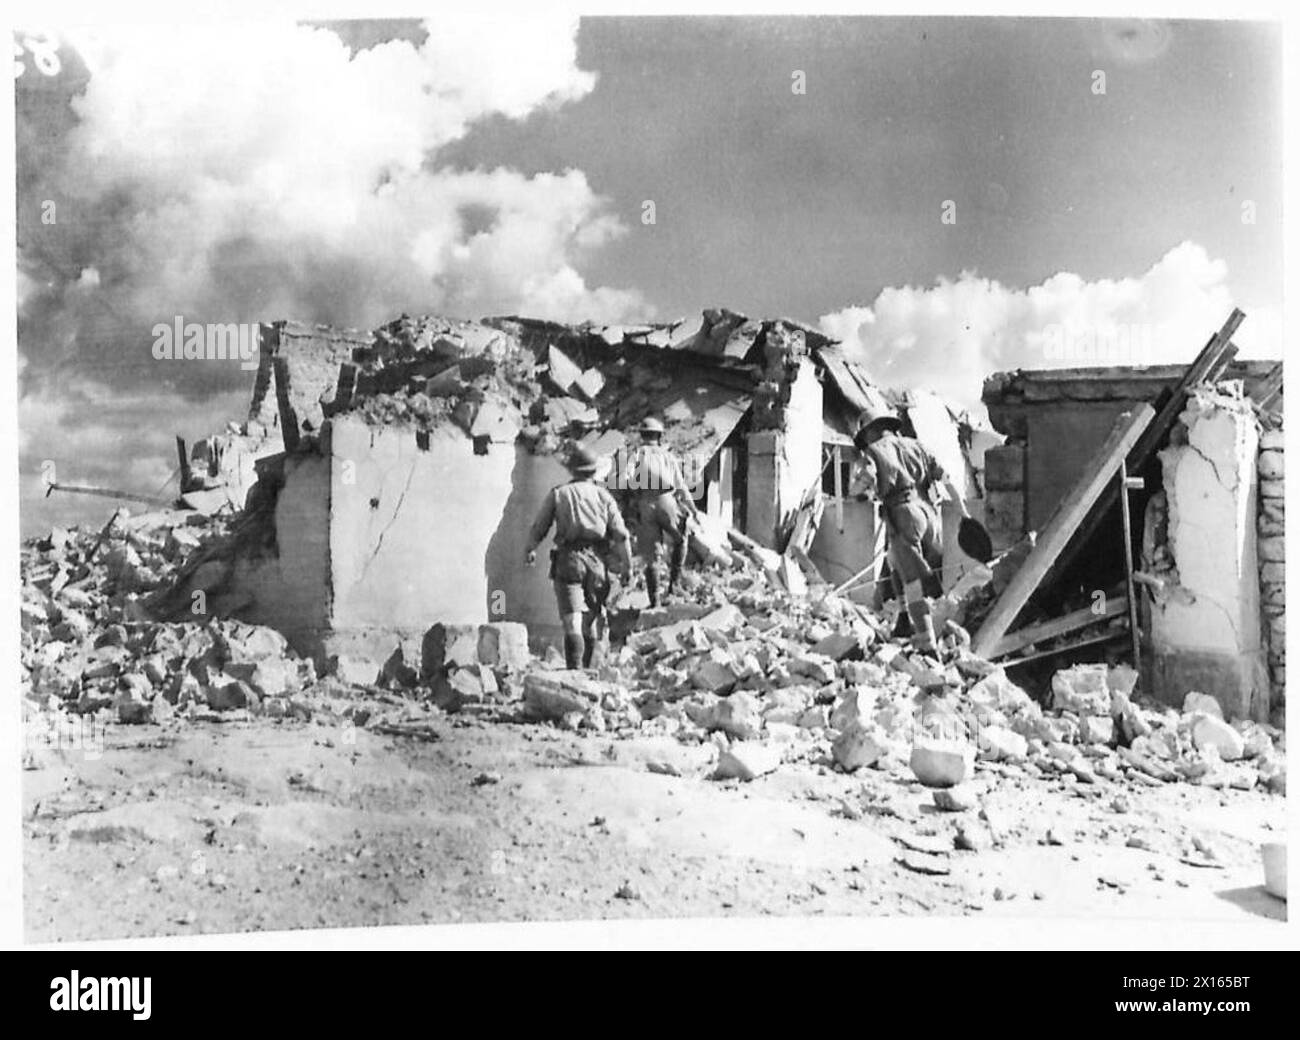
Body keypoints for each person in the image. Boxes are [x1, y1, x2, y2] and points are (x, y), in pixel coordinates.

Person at [852, 410, 969, 653]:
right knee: (895, 561)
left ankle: (927, 640)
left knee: (912, 579)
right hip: (927, 513)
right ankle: (904, 621)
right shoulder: (918, 446)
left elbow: (865, 481)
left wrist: (857, 489)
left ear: (871, 432)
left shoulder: (874, 451)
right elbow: (946, 480)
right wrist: (963, 512)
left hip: (904, 514)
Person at [526, 444, 633, 670]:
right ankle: (588, 672)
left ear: (572, 470)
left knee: (571, 619)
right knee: (591, 620)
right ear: (594, 471)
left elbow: (540, 526)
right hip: (597, 561)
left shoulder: (559, 494)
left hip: (569, 559)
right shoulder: (604, 496)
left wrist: (531, 548)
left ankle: (574, 672)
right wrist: (628, 567)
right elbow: (621, 536)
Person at [623, 416, 690, 607]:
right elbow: (681, 486)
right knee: (681, 538)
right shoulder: (667, 456)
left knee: (650, 555)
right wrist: (691, 507)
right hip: (666, 500)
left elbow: (625, 478)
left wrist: (634, 495)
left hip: (645, 503)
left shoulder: (637, 454)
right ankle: (674, 585)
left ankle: (655, 602)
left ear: (642, 435)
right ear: (659, 436)